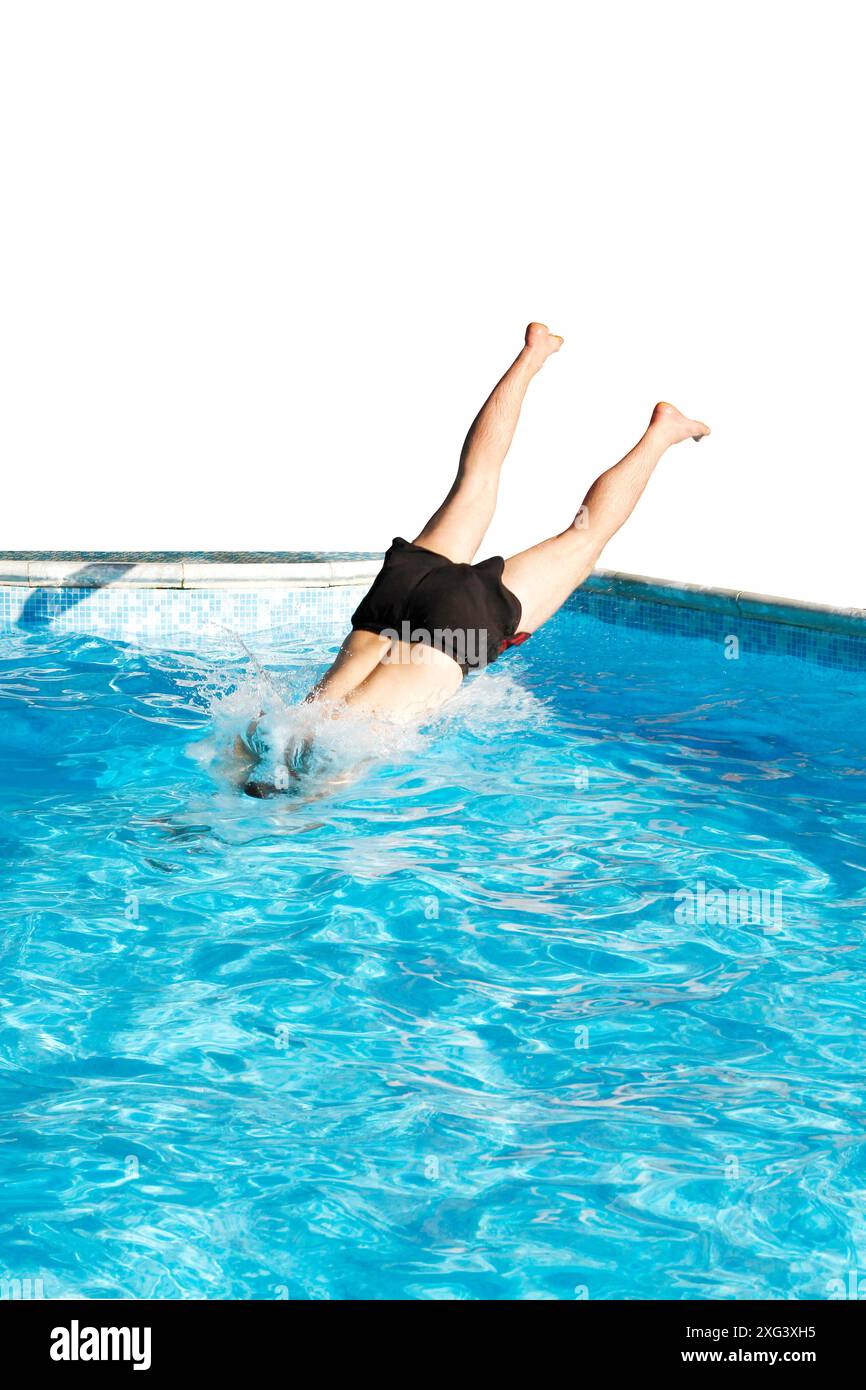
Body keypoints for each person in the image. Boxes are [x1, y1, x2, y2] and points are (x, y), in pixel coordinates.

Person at [241, 323, 709, 794]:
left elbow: (310, 807)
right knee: (475, 478)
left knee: (585, 538)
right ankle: (532, 354)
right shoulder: (280, 734)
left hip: (453, 630)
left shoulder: (325, 760)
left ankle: (662, 432)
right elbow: (243, 743)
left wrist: (297, 811)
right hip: (395, 599)